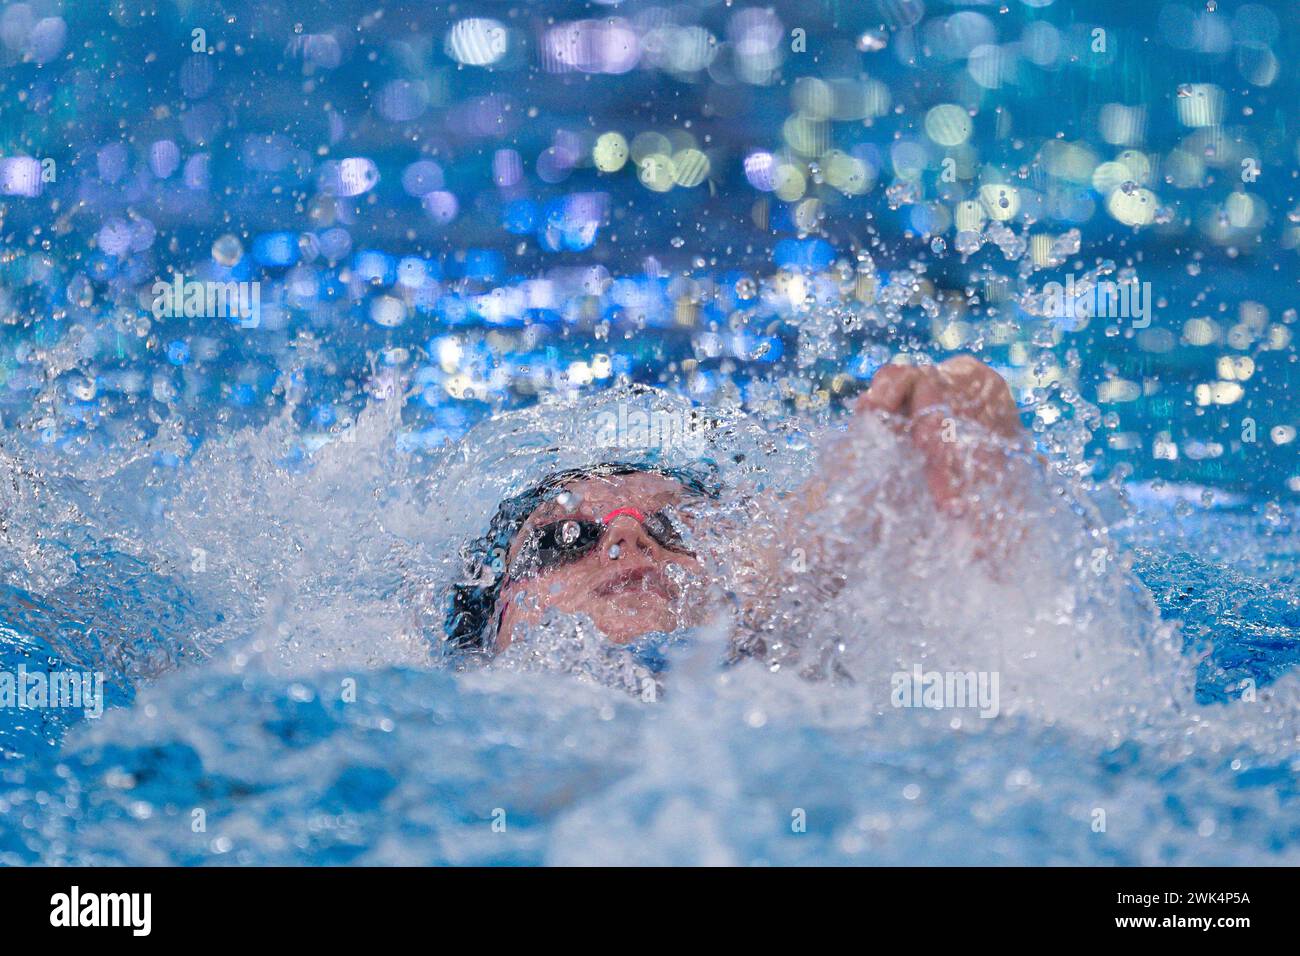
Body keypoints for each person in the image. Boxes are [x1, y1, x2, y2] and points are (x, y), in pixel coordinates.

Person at [446, 355, 1026, 655]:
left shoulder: (787, 676)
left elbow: (813, 552)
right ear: (491, 615)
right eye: (564, 540)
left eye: (674, 528)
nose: (626, 541)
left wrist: (946, 418)